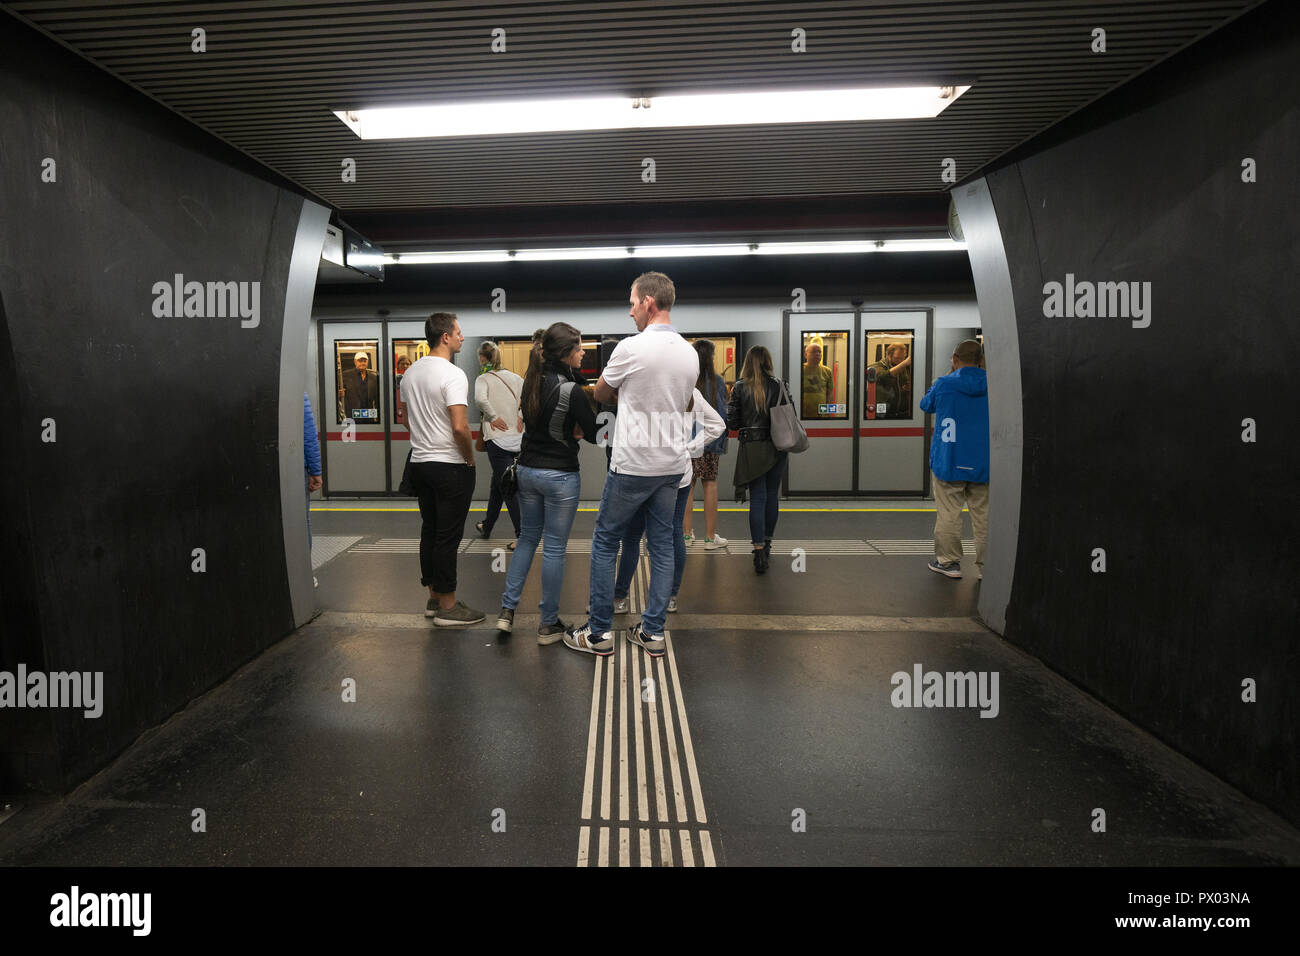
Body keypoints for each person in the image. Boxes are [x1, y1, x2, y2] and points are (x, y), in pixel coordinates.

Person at [564, 271, 698, 659]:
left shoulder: (630, 348)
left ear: (649, 303)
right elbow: (685, 401)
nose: (630, 311)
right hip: (671, 465)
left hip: (633, 464)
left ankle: (598, 633)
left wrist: (628, 394)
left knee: (607, 541)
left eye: (632, 303)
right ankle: (652, 632)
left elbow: (601, 392)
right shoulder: (689, 353)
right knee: (662, 546)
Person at [496, 323, 599, 642]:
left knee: (528, 538)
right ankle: (548, 623)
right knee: (554, 547)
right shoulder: (571, 391)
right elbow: (595, 434)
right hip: (560, 475)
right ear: (566, 353)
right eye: (579, 347)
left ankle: (507, 611)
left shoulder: (531, 381)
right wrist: (578, 428)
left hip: (527, 471)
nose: (583, 353)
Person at [399, 312, 484, 626]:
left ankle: (434, 598)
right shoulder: (453, 374)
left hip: (420, 464)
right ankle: (449, 608)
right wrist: (470, 459)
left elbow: (404, 418)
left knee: (431, 531)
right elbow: (460, 427)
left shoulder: (410, 374)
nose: (462, 337)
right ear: (445, 337)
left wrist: (424, 436)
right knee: (448, 537)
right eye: (458, 332)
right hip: (450, 465)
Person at [612, 388, 725, 615]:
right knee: (672, 535)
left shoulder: (650, 386)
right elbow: (717, 425)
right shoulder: (691, 392)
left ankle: (619, 597)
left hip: (643, 471)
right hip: (677, 473)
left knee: (632, 536)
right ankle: (670, 598)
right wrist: (689, 447)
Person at [919, 339, 989, 580]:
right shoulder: (994, 383)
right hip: (983, 462)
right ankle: (986, 567)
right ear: (981, 359)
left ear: (955, 359)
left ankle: (948, 563)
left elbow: (926, 405)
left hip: (949, 460)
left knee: (949, 514)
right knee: (984, 516)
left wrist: (950, 375)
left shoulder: (944, 383)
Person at [728, 345, 787, 575]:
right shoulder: (780, 385)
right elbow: (789, 415)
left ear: (747, 362)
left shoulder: (740, 387)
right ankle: (768, 543)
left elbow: (733, 423)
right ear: (768, 362)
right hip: (777, 447)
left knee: (757, 498)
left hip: (752, 449)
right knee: (772, 496)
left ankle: (758, 552)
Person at [473, 340, 524, 547]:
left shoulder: (483, 379)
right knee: (498, 483)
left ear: (482, 358)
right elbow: (527, 399)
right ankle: (487, 526)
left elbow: (480, 400)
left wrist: (493, 417)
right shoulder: (516, 378)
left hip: (497, 439)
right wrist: (520, 416)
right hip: (518, 438)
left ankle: (522, 535)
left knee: (507, 486)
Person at [681, 339, 729, 549]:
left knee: (688, 487)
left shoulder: (688, 381)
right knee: (710, 485)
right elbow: (722, 414)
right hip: (709, 442)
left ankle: (686, 535)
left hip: (690, 442)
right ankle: (710, 538)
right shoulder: (717, 381)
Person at [304, 392, 322, 588]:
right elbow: (308, 435)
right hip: (293, 469)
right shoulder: (297, 393)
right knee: (301, 521)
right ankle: (304, 572)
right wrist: (315, 471)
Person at [870, 343, 913, 418]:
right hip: (884, 411)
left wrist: (908, 387)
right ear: (888, 355)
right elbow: (884, 376)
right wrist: (904, 363)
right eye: (897, 358)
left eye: (903, 358)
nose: (900, 361)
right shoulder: (876, 366)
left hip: (902, 412)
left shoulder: (906, 369)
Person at [340, 351, 380, 419]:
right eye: (360, 361)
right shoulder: (345, 375)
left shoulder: (374, 377)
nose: (362, 363)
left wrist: (378, 417)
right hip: (352, 414)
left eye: (364, 361)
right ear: (355, 362)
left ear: (367, 362)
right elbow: (338, 392)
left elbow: (377, 398)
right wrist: (340, 394)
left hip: (369, 415)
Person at [801, 341, 834, 418]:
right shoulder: (799, 370)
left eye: (819, 352)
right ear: (805, 355)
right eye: (813, 352)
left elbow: (829, 394)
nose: (817, 354)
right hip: (801, 415)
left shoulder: (827, 371)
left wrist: (828, 413)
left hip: (821, 416)